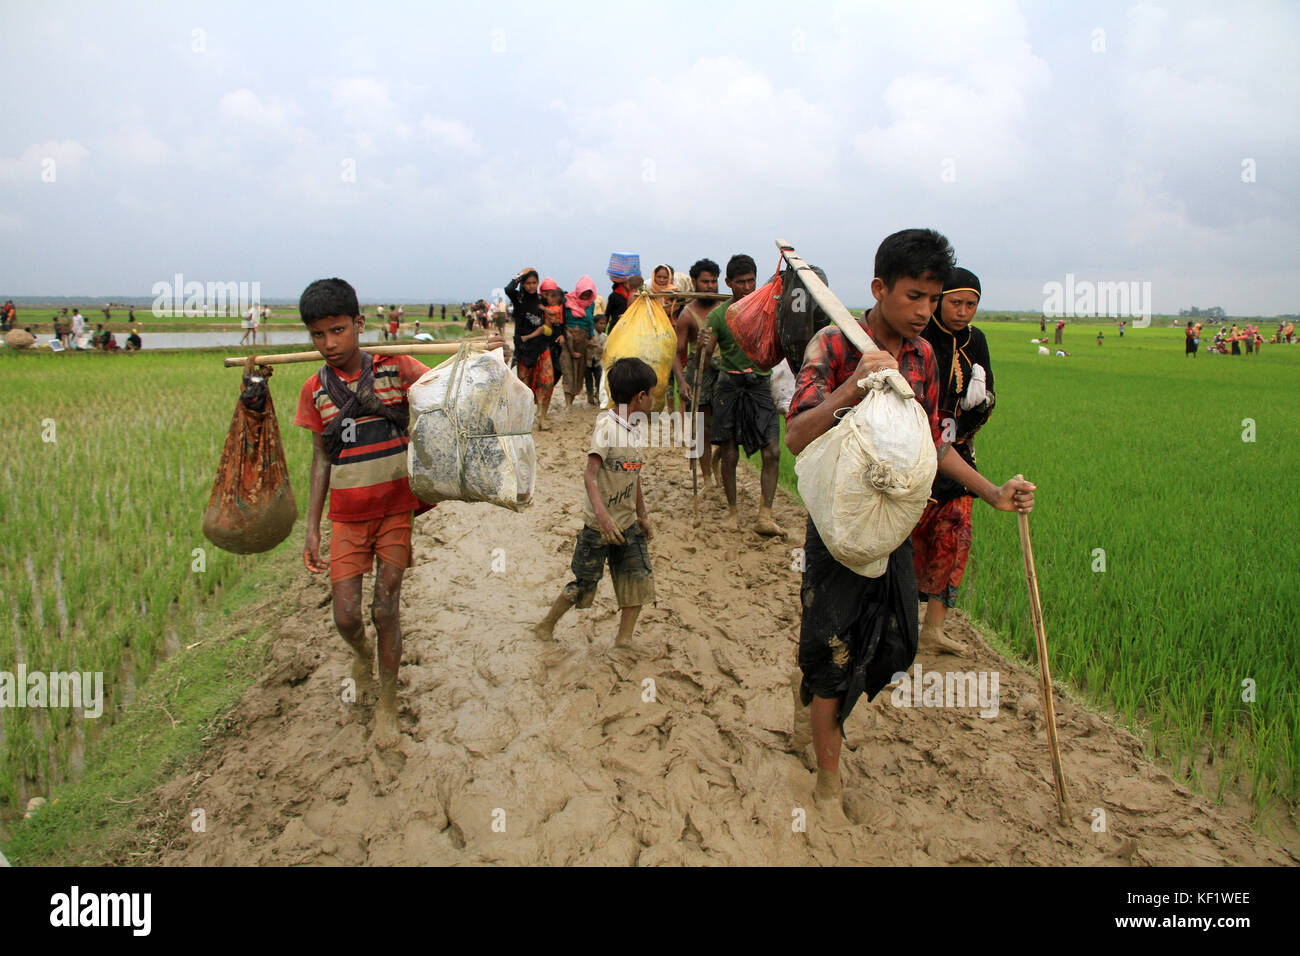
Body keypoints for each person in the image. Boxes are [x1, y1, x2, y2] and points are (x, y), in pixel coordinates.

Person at [784, 229, 1035, 824]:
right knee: (835, 653)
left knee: (894, 647)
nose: (926, 312)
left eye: (933, 298)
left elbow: (934, 444)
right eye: (915, 297)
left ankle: (815, 696)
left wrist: (993, 492)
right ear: (879, 288)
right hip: (841, 531)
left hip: (896, 527)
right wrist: (855, 385)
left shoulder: (924, 358)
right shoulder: (834, 345)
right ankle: (828, 780)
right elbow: (796, 436)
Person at [294, 277, 502, 749]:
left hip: (395, 509)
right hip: (346, 517)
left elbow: (447, 387)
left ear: (359, 326)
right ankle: (359, 654)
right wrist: (311, 528)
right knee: (346, 616)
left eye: (338, 330)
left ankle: (388, 702)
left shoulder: (394, 368)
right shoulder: (315, 390)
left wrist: (480, 355)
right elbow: (320, 459)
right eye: (318, 335)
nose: (329, 343)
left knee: (385, 605)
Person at [533, 357, 658, 657]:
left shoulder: (633, 429)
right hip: (599, 527)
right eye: (652, 393)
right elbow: (590, 476)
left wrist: (642, 515)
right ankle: (546, 625)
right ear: (640, 396)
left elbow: (634, 473)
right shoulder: (606, 427)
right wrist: (603, 518)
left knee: (638, 578)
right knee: (584, 585)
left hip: (627, 524)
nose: (654, 399)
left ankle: (624, 639)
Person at [912, 267, 996, 655]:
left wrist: (968, 416)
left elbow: (988, 395)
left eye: (971, 304)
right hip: (913, 446)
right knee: (908, 532)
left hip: (956, 449)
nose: (963, 312)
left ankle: (934, 628)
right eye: (956, 302)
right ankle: (893, 615)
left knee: (956, 531)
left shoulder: (976, 341)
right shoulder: (919, 336)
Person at [700, 254, 784, 536]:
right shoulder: (719, 315)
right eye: (740, 282)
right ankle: (733, 513)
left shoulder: (767, 309)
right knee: (730, 454)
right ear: (729, 283)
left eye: (751, 281)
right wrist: (702, 346)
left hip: (759, 386)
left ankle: (765, 514)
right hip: (729, 387)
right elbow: (708, 352)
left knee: (772, 450)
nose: (747, 288)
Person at [677, 258, 721, 486]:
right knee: (702, 426)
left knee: (727, 424)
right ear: (694, 282)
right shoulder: (687, 315)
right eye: (705, 282)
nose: (710, 287)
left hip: (724, 369)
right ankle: (707, 477)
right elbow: (677, 352)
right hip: (699, 371)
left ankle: (718, 462)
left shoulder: (726, 307)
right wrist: (682, 381)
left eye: (714, 282)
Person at [506, 267, 557, 430]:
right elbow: (508, 289)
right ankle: (525, 420)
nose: (531, 286)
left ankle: (541, 418)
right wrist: (520, 275)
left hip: (541, 346)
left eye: (534, 282)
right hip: (524, 347)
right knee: (524, 386)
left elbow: (550, 321)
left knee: (548, 381)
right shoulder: (518, 298)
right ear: (523, 283)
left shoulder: (541, 300)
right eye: (527, 283)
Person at [562, 275, 597, 408]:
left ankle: (572, 398)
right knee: (567, 370)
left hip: (582, 341)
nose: (584, 297)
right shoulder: (567, 301)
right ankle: (567, 403)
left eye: (588, 294)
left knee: (579, 371)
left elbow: (590, 322)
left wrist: (591, 336)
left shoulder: (591, 304)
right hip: (567, 339)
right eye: (583, 294)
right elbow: (561, 318)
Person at [586, 313, 607, 405]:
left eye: (604, 323)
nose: (603, 325)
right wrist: (596, 345)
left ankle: (598, 394)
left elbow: (605, 349)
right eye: (600, 323)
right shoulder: (590, 334)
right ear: (594, 324)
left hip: (597, 361)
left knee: (599, 377)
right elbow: (586, 343)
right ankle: (590, 396)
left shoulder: (604, 337)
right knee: (588, 379)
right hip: (588, 360)